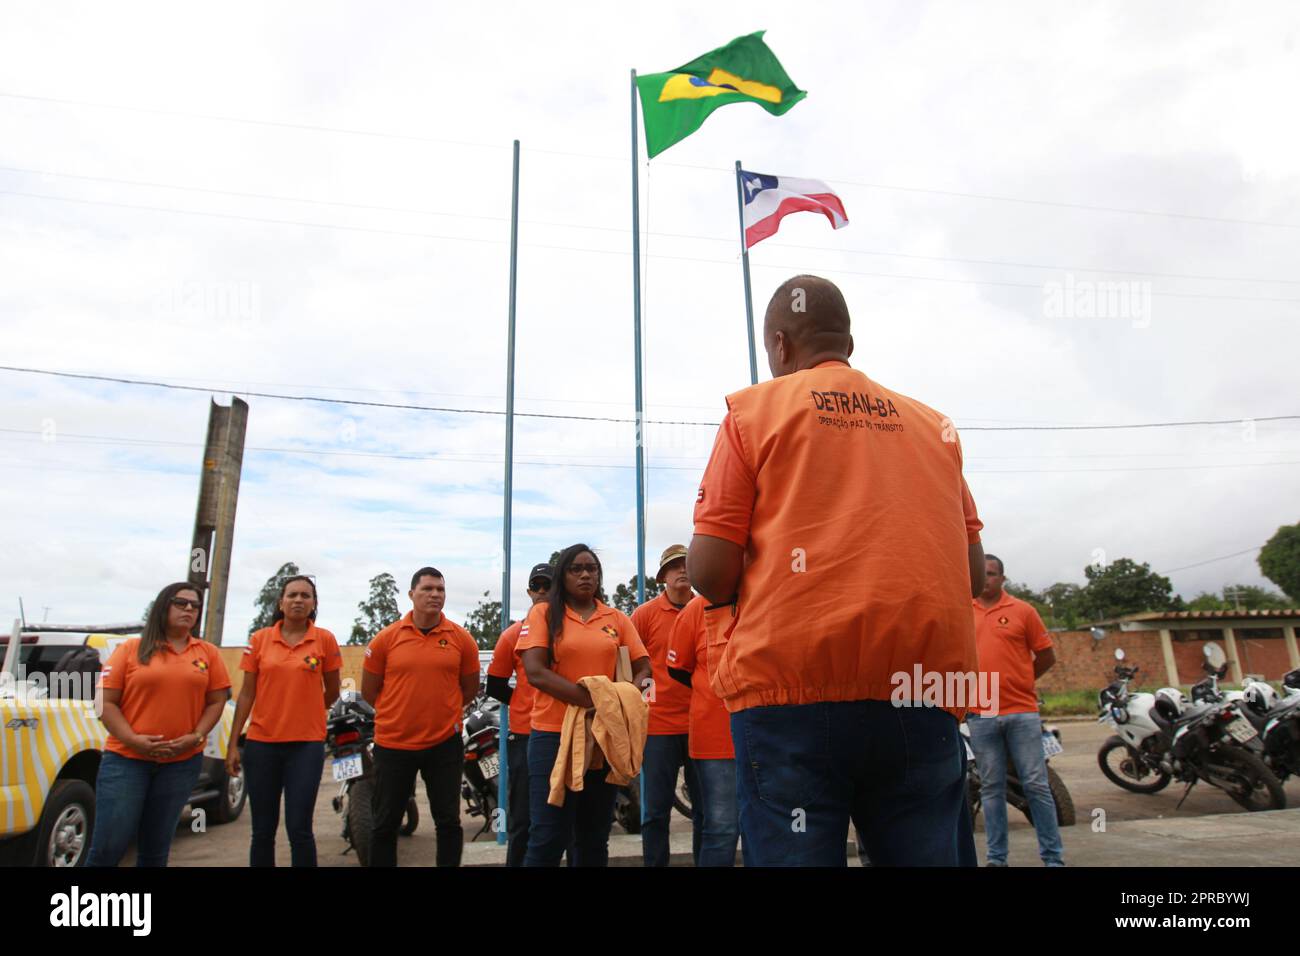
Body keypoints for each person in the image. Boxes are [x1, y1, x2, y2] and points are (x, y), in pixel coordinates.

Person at [687, 274, 986, 867]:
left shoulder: (754, 413)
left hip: (791, 693)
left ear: (779, 344)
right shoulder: (934, 427)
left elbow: (711, 574)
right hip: (925, 692)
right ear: (846, 339)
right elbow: (971, 575)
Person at [518, 544, 652, 866]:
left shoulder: (615, 618)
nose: (585, 574)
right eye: (575, 569)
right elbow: (535, 672)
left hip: (603, 741)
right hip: (553, 738)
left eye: (591, 568)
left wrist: (624, 700)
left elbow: (645, 668)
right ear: (562, 576)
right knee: (549, 836)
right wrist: (594, 701)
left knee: (593, 838)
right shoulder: (544, 614)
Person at [86, 582, 231, 866]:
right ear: (163, 606)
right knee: (108, 847)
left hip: (181, 763)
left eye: (195, 605)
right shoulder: (131, 649)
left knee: (155, 850)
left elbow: (217, 701)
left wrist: (197, 735)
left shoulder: (208, 654)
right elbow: (105, 702)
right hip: (126, 761)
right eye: (181, 602)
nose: (189, 608)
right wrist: (132, 739)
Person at [362, 567, 479, 867]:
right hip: (394, 745)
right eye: (427, 589)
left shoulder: (461, 639)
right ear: (412, 594)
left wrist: (440, 713)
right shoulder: (386, 639)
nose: (435, 595)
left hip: (444, 744)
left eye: (440, 589)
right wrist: (401, 715)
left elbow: (468, 689)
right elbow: (370, 692)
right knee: (385, 824)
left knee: (448, 823)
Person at [227, 574, 342, 867]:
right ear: (281, 602)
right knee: (262, 831)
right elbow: (246, 695)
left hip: (306, 747)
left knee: (299, 828)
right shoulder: (260, 640)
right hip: (261, 746)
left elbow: (332, 691)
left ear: (314, 603)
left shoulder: (325, 640)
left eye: (305, 595)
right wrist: (232, 745)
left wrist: (308, 712)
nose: (298, 600)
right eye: (292, 595)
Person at [968, 554, 1064, 867]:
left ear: (1003, 579)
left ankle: (1052, 858)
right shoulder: (962, 612)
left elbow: (1046, 655)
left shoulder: (1023, 611)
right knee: (991, 788)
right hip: (981, 715)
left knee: (1036, 785)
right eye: (983, 574)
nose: (987, 580)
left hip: (1022, 712)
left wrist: (1024, 681)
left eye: (993, 574)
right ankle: (997, 859)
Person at [630, 544, 700, 867]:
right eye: (674, 567)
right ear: (663, 577)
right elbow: (628, 662)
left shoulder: (705, 608)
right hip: (658, 726)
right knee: (655, 812)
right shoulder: (644, 615)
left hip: (701, 725)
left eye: (687, 564)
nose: (682, 570)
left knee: (706, 810)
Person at [485, 561, 553, 867]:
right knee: (523, 819)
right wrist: (524, 701)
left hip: (571, 731)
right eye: (536, 586)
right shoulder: (513, 634)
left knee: (572, 818)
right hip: (526, 735)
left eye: (547, 586)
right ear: (528, 591)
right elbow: (495, 684)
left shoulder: (575, 631)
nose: (541, 592)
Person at [667, 594, 739, 866]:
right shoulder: (695, 610)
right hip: (715, 742)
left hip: (766, 738)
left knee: (765, 828)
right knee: (722, 828)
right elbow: (678, 669)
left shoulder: (765, 595)